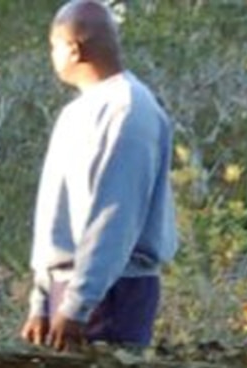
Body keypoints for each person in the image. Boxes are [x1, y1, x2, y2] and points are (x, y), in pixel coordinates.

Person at [21, 0, 177, 350]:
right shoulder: (74, 114)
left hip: (112, 293)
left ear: (74, 50)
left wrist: (78, 306)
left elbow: (115, 217)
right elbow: (54, 218)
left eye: (54, 46)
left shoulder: (130, 111)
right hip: (69, 289)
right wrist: (41, 300)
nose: (52, 55)